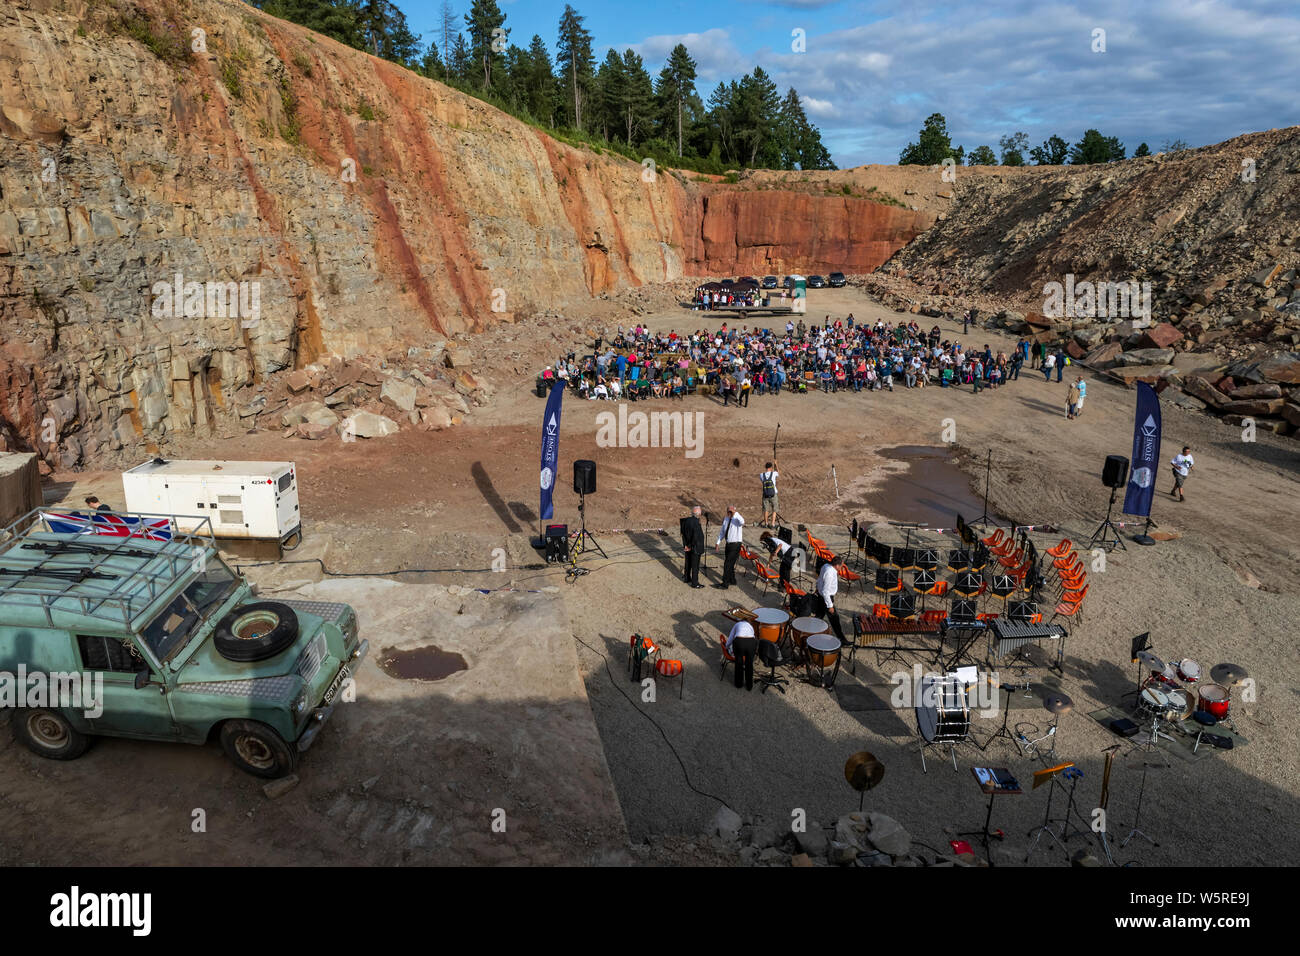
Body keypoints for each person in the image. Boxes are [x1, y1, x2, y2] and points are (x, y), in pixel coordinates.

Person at [814, 554, 846, 644]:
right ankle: (842, 639)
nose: (842, 567)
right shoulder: (830, 573)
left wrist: (817, 588)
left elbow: (820, 579)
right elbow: (826, 591)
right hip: (826, 598)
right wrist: (830, 605)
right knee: (835, 619)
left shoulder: (825, 566)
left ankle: (812, 632)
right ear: (837, 565)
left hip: (821, 597)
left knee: (819, 616)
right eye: (841, 566)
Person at [715, 506, 744, 588]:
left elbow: (742, 522)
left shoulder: (737, 518)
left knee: (727, 564)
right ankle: (732, 580)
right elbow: (722, 532)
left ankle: (725, 584)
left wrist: (735, 513)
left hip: (735, 544)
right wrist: (718, 542)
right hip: (728, 544)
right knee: (730, 563)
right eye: (728, 511)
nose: (729, 513)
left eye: (731, 512)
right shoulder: (726, 519)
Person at [726, 618, 759, 691]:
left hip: (739, 642)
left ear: (740, 620)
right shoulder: (750, 626)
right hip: (751, 642)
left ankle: (738, 684)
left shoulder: (737, 624)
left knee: (739, 663)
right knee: (749, 664)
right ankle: (749, 686)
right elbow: (753, 636)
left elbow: (731, 637)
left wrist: (727, 646)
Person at [682, 506, 705, 588]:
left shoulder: (686, 520)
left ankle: (686, 578)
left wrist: (685, 545)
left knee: (688, 563)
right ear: (698, 514)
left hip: (687, 546)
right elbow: (696, 537)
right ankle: (695, 583)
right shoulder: (696, 523)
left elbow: (683, 533)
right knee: (695, 566)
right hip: (695, 547)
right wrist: (689, 546)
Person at [760, 461, 779, 528]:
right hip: (773, 494)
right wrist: (776, 465)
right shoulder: (773, 473)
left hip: (765, 494)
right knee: (775, 509)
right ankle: (773, 524)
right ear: (771, 467)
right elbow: (778, 473)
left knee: (766, 509)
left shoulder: (761, 475)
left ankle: (766, 524)